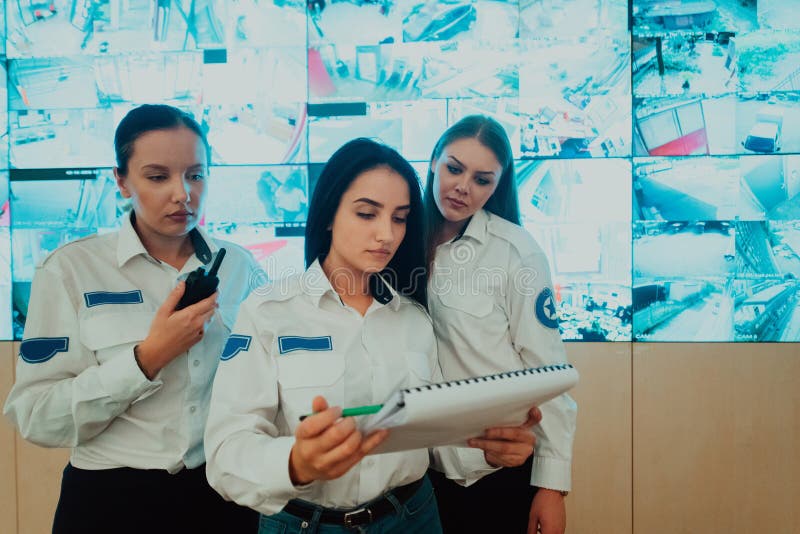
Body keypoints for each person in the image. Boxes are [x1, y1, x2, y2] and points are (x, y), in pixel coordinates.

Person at [204, 138, 542, 533]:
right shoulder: (268, 312)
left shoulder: (414, 319)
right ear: (329, 215)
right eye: (367, 213)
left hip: (413, 518)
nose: (387, 234)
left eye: (399, 218)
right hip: (306, 523)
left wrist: (491, 449)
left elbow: (434, 442)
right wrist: (296, 462)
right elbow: (227, 452)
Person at [3, 104, 260, 534]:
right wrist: (146, 359)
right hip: (109, 501)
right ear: (121, 181)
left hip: (221, 497)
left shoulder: (240, 266)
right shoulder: (70, 270)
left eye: (196, 175)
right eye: (158, 177)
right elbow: (36, 416)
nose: (182, 193)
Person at [422, 116, 578, 534]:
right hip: (415, 483)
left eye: (482, 179)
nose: (463, 187)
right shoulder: (397, 242)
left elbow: (548, 373)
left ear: (498, 185)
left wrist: (551, 488)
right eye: (454, 169)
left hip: (492, 475)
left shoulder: (516, 253)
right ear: (434, 161)